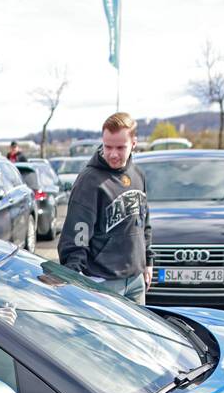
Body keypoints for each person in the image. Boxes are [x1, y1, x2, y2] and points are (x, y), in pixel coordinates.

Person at [57, 111, 153, 304]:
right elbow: (77, 234)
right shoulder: (90, 181)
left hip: (135, 280)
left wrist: (147, 262)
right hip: (103, 282)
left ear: (134, 143)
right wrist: (74, 275)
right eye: (108, 146)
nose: (113, 154)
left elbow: (144, 222)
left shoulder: (138, 175)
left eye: (120, 147)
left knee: (137, 335)